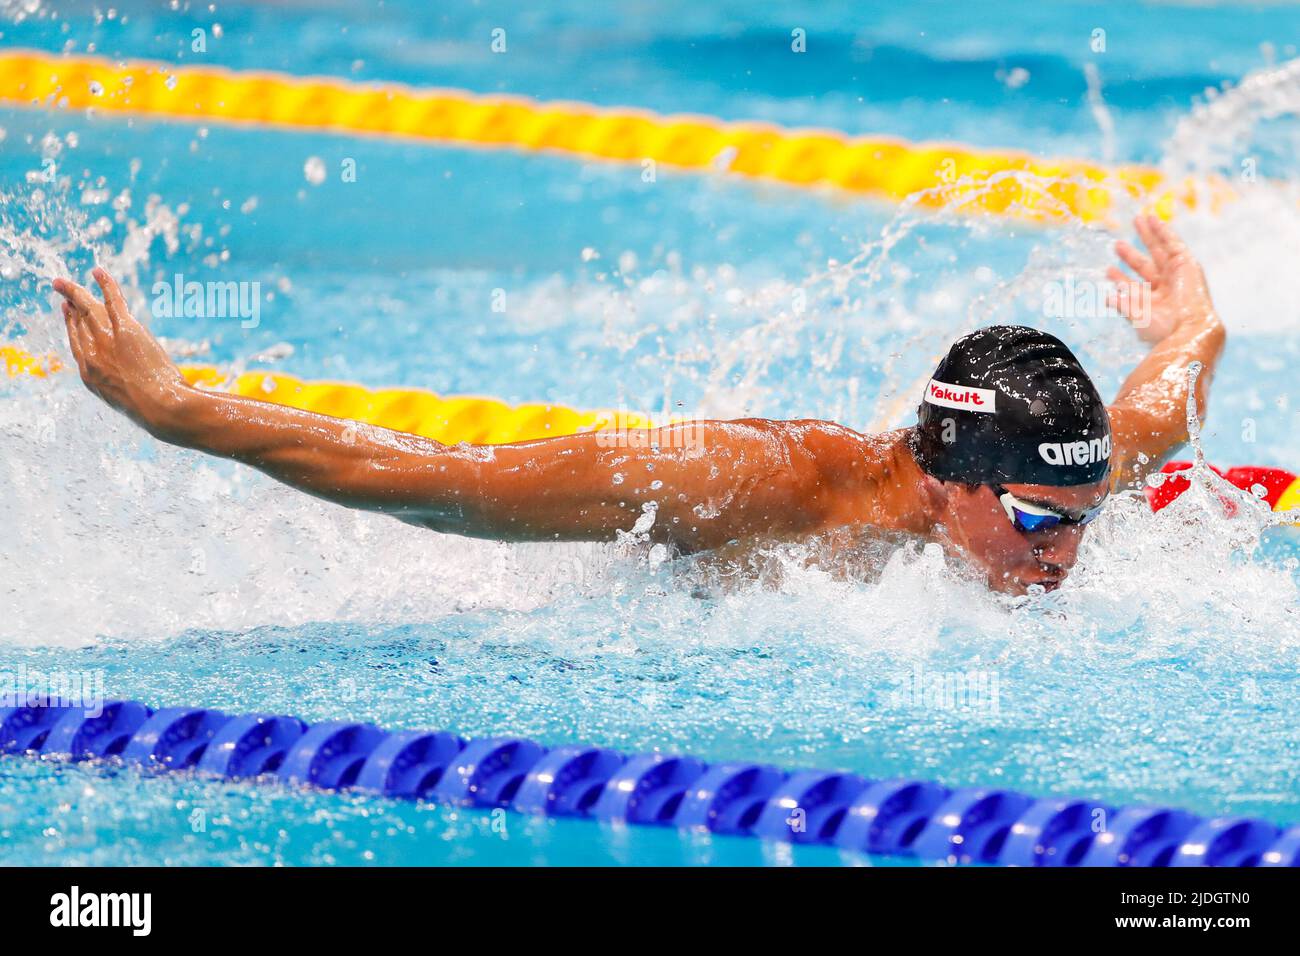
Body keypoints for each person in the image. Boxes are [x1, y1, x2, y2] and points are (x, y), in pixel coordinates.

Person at [52, 214, 1224, 594]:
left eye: (1084, 510)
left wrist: (1189, 318)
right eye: (1036, 520)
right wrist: (176, 408)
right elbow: (450, 484)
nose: (1069, 547)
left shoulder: (1063, 465)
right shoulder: (756, 482)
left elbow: (1165, 394)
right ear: (939, 471)